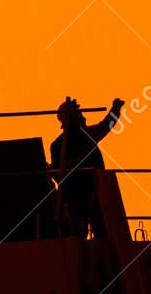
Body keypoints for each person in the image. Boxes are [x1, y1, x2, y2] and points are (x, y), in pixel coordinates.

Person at [50, 95, 125, 238]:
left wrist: (115, 109)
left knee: (97, 231)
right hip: (79, 196)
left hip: (91, 193)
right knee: (81, 233)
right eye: (79, 114)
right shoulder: (64, 143)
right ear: (71, 119)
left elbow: (106, 125)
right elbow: (59, 175)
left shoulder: (64, 142)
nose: (83, 117)